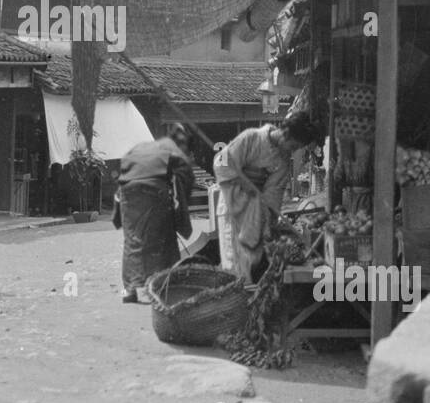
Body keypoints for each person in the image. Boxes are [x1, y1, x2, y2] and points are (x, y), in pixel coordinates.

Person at [213, 112, 322, 283]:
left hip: (254, 213)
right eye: (292, 146)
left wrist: (269, 220)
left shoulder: (283, 160)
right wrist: (245, 183)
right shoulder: (251, 138)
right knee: (232, 263)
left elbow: (273, 194)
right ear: (285, 133)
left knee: (250, 261)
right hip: (233, 204)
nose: (291, 151)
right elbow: (222, 162)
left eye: (295, 149)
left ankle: (245, 300)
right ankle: (232, 303)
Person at [116, 124, 195, 303]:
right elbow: (186, 179)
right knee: (163, 238)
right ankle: (163, 284)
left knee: (133, 239)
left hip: (126, 192)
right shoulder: (173, 149)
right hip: (152, 190)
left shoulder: (145, 146)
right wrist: (180, 215)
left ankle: (130, 289)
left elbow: (124, 168)